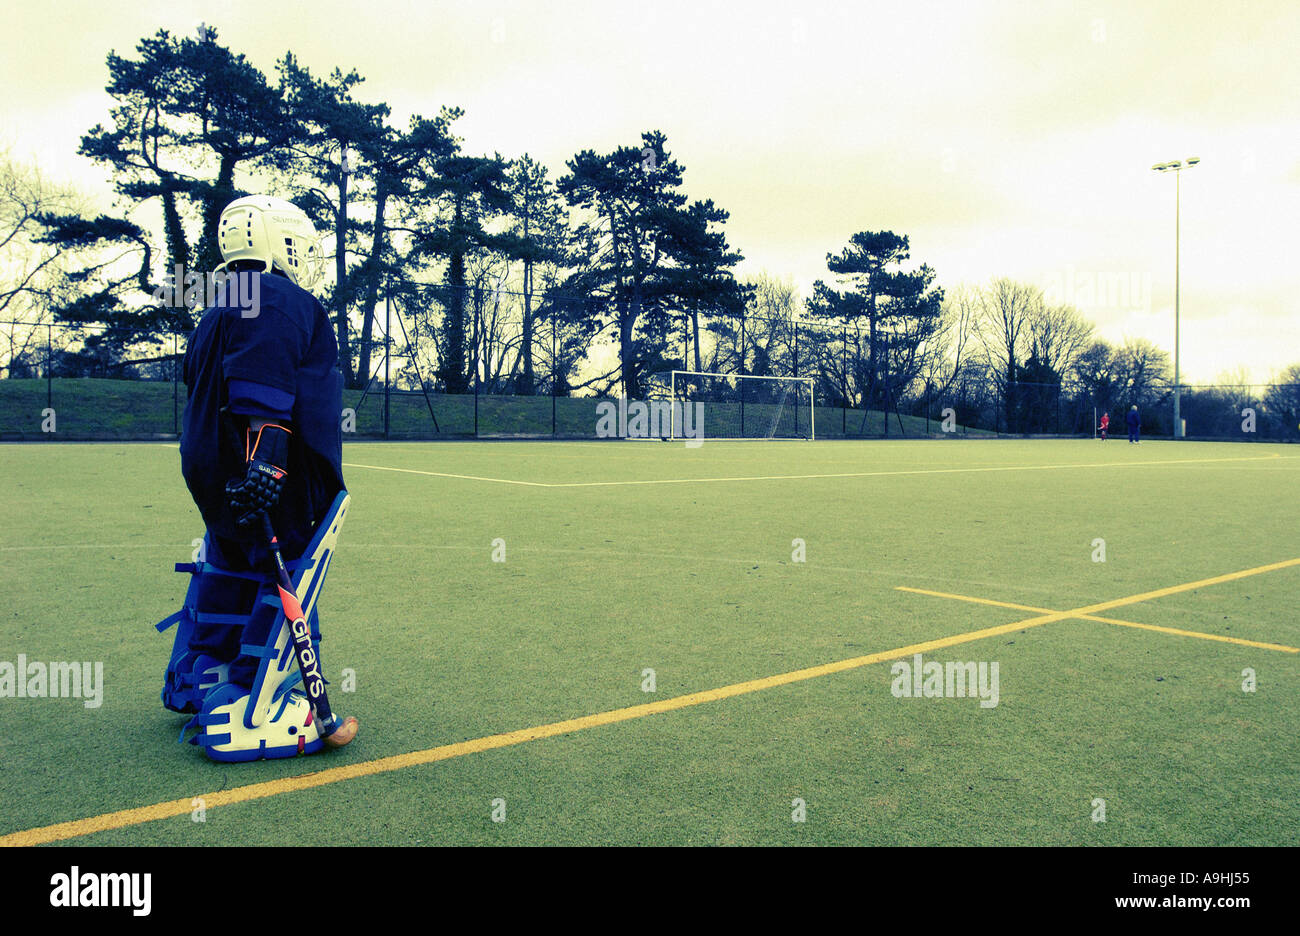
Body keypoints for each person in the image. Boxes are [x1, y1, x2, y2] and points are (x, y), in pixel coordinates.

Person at [156, 195, 354, 761]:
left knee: (230, 562)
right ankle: (253, 699)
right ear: (281, 241)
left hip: (211, 467)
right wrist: (267, 455)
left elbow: (205, 383)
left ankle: (201, 673)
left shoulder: (221, 303)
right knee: (286, 567)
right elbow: (261, 378)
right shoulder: (277, 298)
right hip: (268, 470)